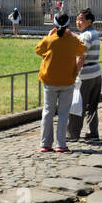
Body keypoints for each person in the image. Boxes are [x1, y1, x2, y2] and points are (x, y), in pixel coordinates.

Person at [35, 11, 85, 153]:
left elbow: (38, 49)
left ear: (54, 25)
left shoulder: (50, 40)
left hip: (50, 81)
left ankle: (45, 144)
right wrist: (73, 35)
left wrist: (49, 36)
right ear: (68, 25)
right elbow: (82, 49)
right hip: (67, 80)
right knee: (63, 113)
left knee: (48, 111)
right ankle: (61, 144)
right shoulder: (72, 41)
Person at [67, 9, 102, 143]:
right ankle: (93, 132)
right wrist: (72, 34)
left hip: (85, 75)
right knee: (92, 106)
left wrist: (74, 72)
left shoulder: (85, 36)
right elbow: (83, 39)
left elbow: (81, 56)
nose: (78, 22)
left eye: (81, 19)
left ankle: (72, 133)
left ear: (89, 21)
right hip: (96, 73)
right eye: (77, 19)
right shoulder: (94, 33)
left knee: (77, 105)